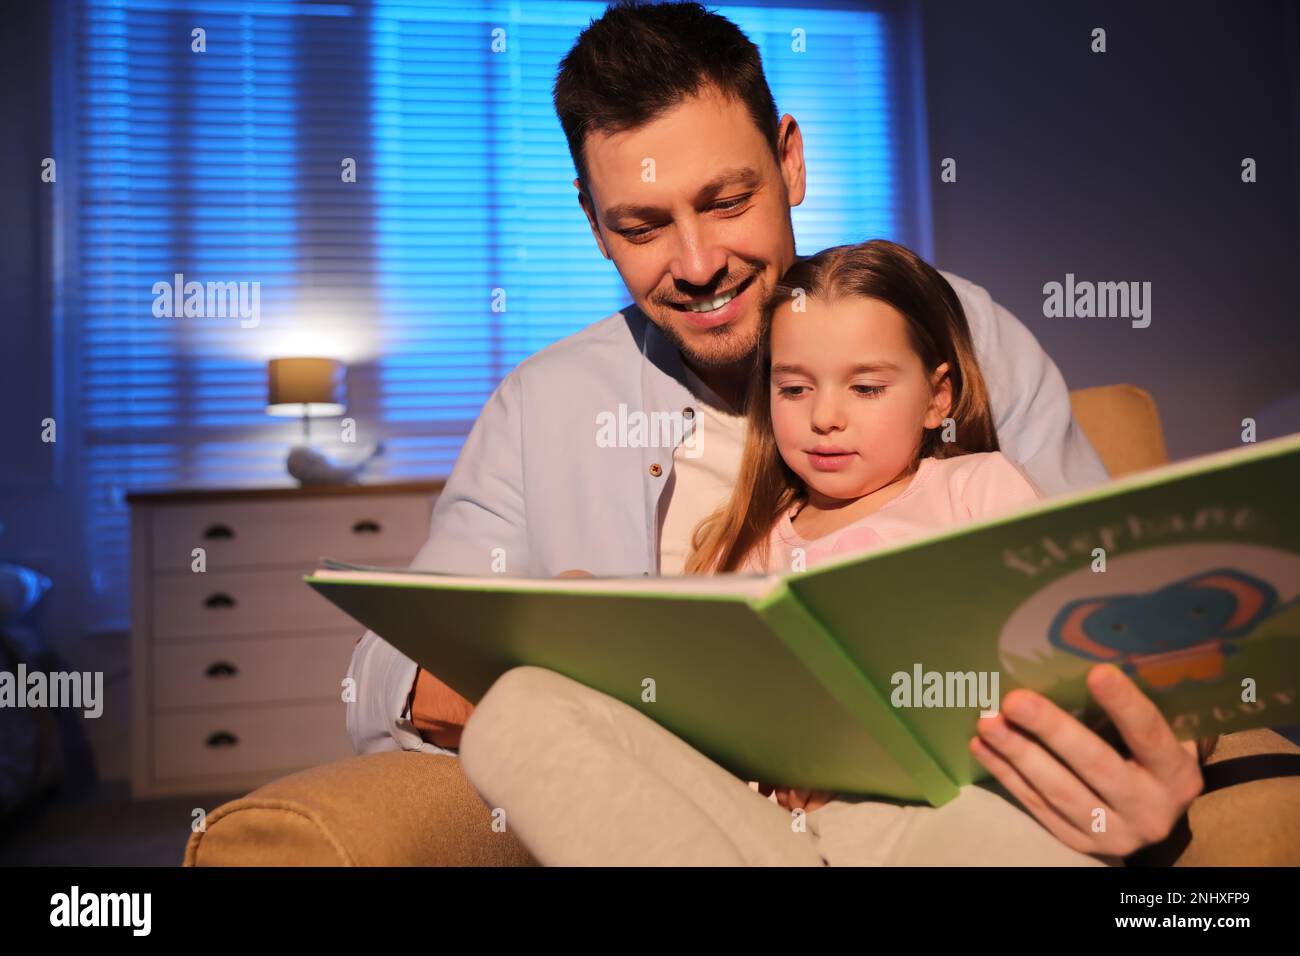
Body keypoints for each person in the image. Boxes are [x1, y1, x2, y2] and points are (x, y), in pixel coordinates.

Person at [346, 2, 1200, 861]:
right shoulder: (543, 407)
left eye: (726, 201)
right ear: (592, 221)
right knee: (521, 711)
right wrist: (569, 665)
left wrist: (1149, 756)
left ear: (789, 160)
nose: (697, 264)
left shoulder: (955, 327)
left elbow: (1120, 615)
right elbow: (384, 671)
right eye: (641, 225)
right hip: (726, 819)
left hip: (952, 801)